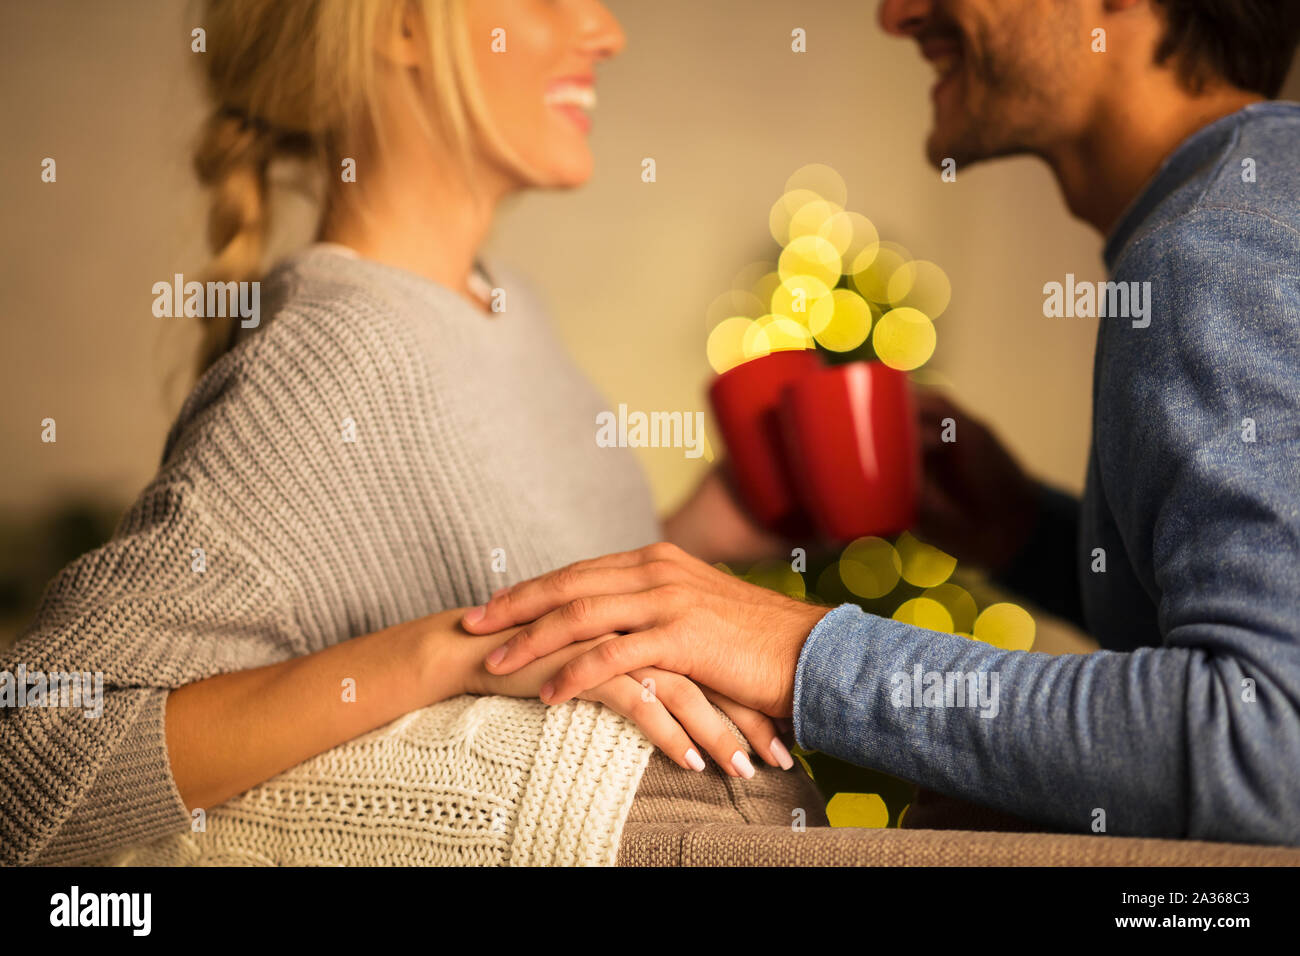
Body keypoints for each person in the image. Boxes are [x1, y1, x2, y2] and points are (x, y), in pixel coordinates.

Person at [0, 0, 819, 867]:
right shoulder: (337, 349)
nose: (606, 30)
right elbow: (37, 757)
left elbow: (475, 575)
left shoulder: (501, 304)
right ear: (398, 23)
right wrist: (450, 652)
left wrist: (694, 533)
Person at [466, 0, 1300, 845]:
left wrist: (800, 651)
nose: (896, 15)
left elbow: (1269, 743)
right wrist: (1030, 537)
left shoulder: (1213, 248)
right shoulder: (1255, 203)